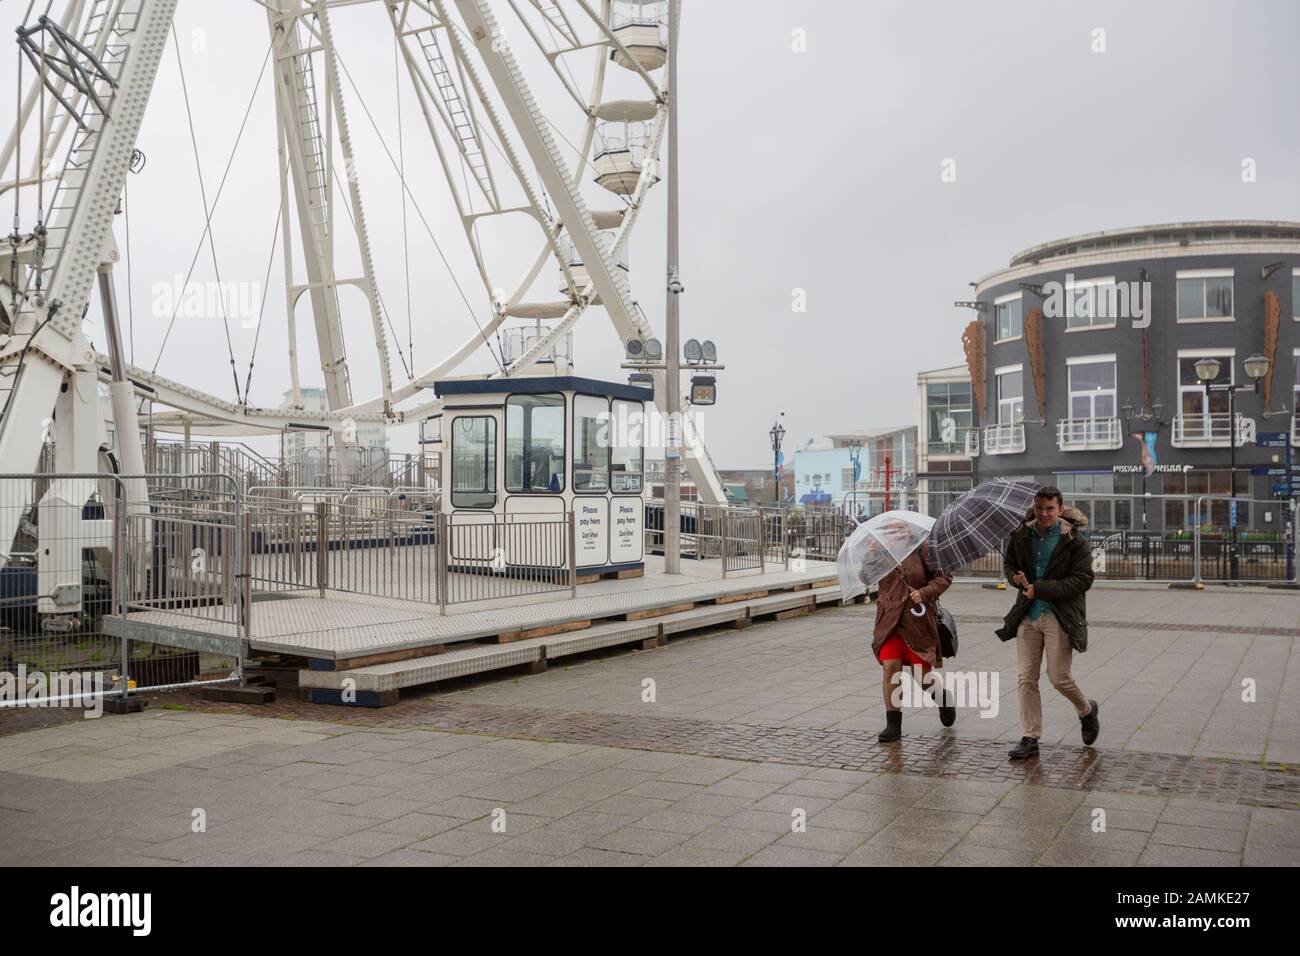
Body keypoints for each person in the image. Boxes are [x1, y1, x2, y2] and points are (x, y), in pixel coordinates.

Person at [996, 486, 1100, 760]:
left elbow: (1083, 580)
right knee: (1026, 677)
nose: (1044, 514)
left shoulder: (1074, 540)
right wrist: (1014, 576)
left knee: (1058, 677)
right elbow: (1010, 564)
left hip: (1059, 616)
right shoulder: (1021, 535)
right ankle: (1030, 737)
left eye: (1050, 509)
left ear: (1060, 509)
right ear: (1035, 507)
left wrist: (1040, 589)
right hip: (1027, 617)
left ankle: (1086, 710)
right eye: (1040, 508)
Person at [869, 540, 954, 742]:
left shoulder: (922, 548)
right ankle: (893, 724)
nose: (897, 531)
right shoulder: (881, 549)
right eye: (893, 528)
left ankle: (942, 698)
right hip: (890, 621)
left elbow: (944, 577)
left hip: (917, 621)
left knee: (922, 676)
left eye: (901, 528)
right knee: (891, 668)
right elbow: (865, 577)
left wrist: (924, 593)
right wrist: (872, 555)